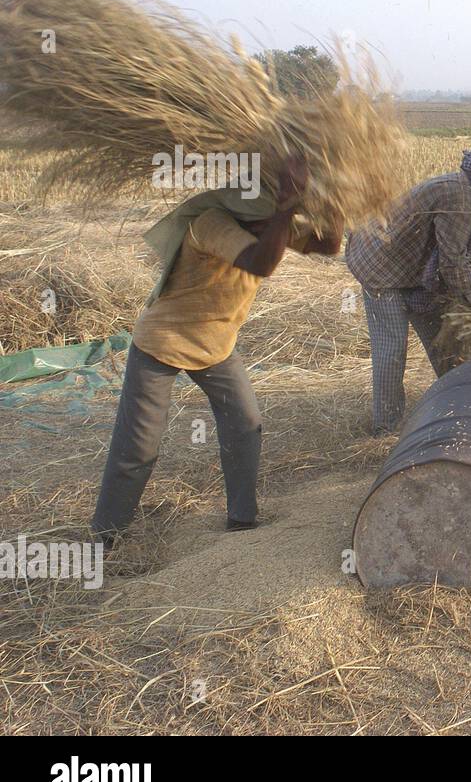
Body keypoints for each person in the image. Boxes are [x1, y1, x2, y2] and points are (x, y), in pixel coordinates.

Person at [93, 156, 340, 546]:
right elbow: (260, 263)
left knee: (246, 426)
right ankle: (105, 539)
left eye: (271, 223)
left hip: (217, 345)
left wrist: (333, 201)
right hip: (163, 343)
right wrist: (286, 206)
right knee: (138, 448)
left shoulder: (268, 222)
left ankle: (242, 520)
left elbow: (328, 245)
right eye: (263, 223)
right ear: (244, 212)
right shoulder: (210, 223)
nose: (269, 231)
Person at [346, 140, 471, 433]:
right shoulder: (459, 196)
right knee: (392, 348)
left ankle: (458, 403)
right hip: (381, 267)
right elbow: (452, 265)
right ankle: (385, 428)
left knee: (444, 341)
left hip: (411, 270)